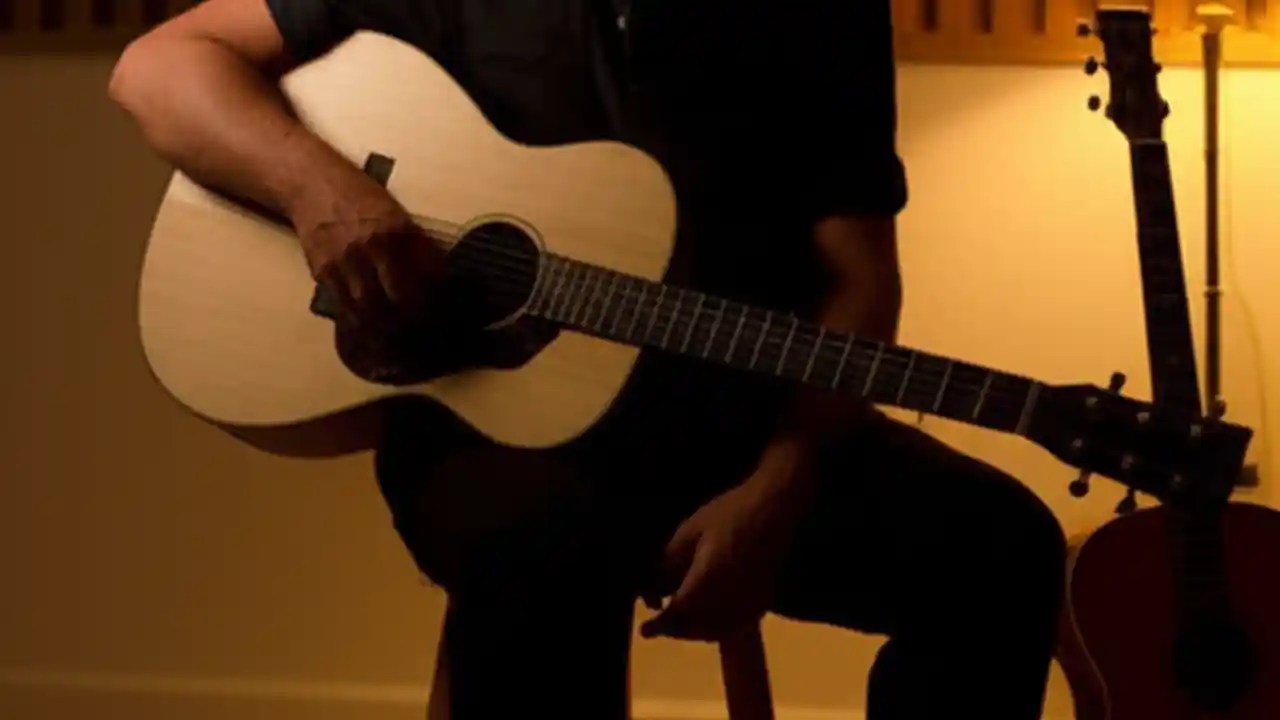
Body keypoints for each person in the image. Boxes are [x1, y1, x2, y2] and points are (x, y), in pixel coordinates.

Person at [108, 1, 1068, 718]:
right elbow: (162, 67)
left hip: (731, 426)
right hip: (494, 426)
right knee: (543, 548)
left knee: (1005, 553)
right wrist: (322, 191)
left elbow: (859, 282)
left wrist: (781, 481)